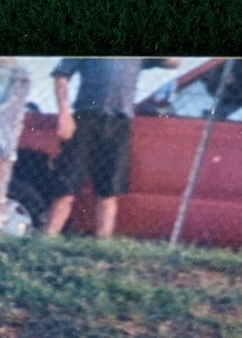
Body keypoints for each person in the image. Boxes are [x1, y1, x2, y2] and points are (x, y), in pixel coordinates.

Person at [42, 57, 181, 239]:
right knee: (65, 189)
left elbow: (173, 63)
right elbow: (61, 75)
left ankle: (102, 245)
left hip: (119, 124)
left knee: (108, 192)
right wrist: (64, 114)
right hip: (85, 120)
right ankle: (47, 239)